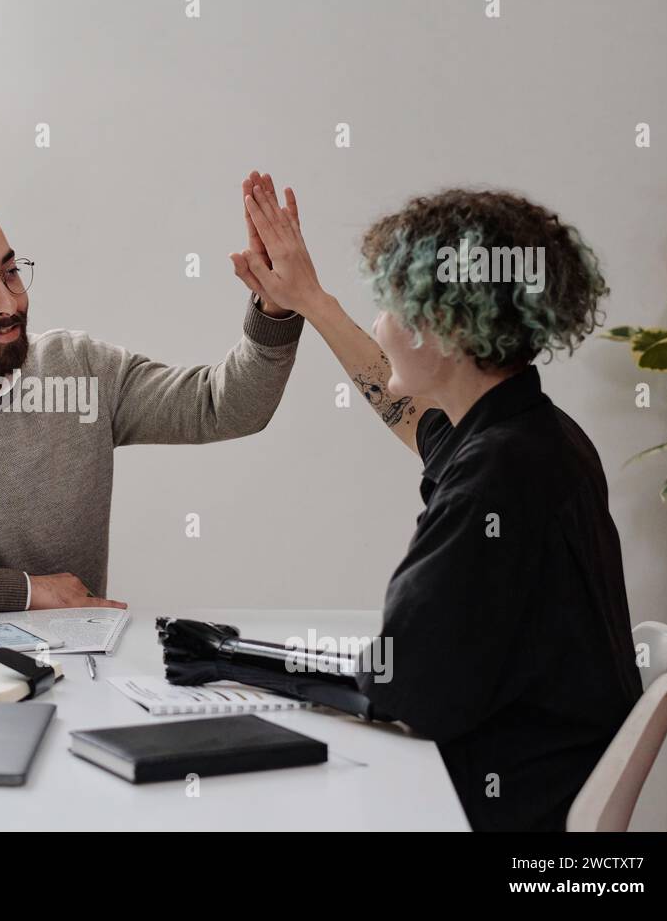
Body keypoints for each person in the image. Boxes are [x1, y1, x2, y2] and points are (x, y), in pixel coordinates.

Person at [232, 171, 642, 831]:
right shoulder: (533, 433)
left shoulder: (495, 477)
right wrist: (310, 301)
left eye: (393, 305)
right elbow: (412, 416)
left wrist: (246, 671)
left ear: (446, 328)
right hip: (538, 777)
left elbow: (405, 693)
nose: (381, 322)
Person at [0, 195, 305, 619]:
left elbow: (223, 405)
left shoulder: (79, 370)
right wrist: (26, 592)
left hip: (74, 670)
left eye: (10, 273)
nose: (8, 303)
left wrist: (276, 308)